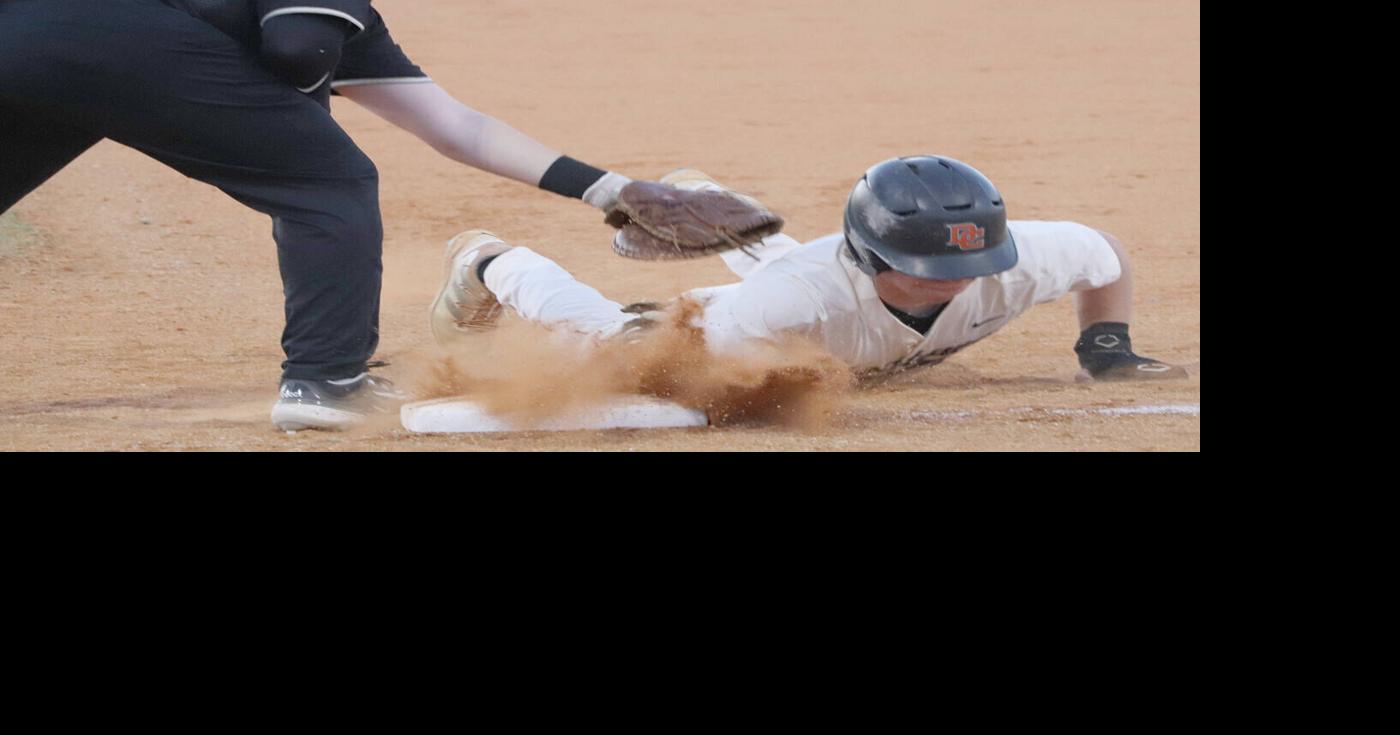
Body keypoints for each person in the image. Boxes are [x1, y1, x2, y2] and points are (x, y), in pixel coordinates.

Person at [0, 0, 633, 431]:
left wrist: (612, 191)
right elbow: (300, 47)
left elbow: (456, 127)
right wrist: (302, 119)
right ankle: (326, 381)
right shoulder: (330, 16)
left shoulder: (353, 23)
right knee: (329, 184)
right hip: (110, 38)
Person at [428, 156, 1188, 383]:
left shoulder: (1019, 259)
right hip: (764, 305)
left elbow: (1106, 254)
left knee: (817, 293)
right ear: (874, 252)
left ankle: (706, 204)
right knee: (599, 343)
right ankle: (497, 259)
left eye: (971, 259)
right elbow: (656, 368)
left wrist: (1106, 346)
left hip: (821, 292)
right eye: (928, 266)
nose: (958, 278)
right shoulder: (779, 305)